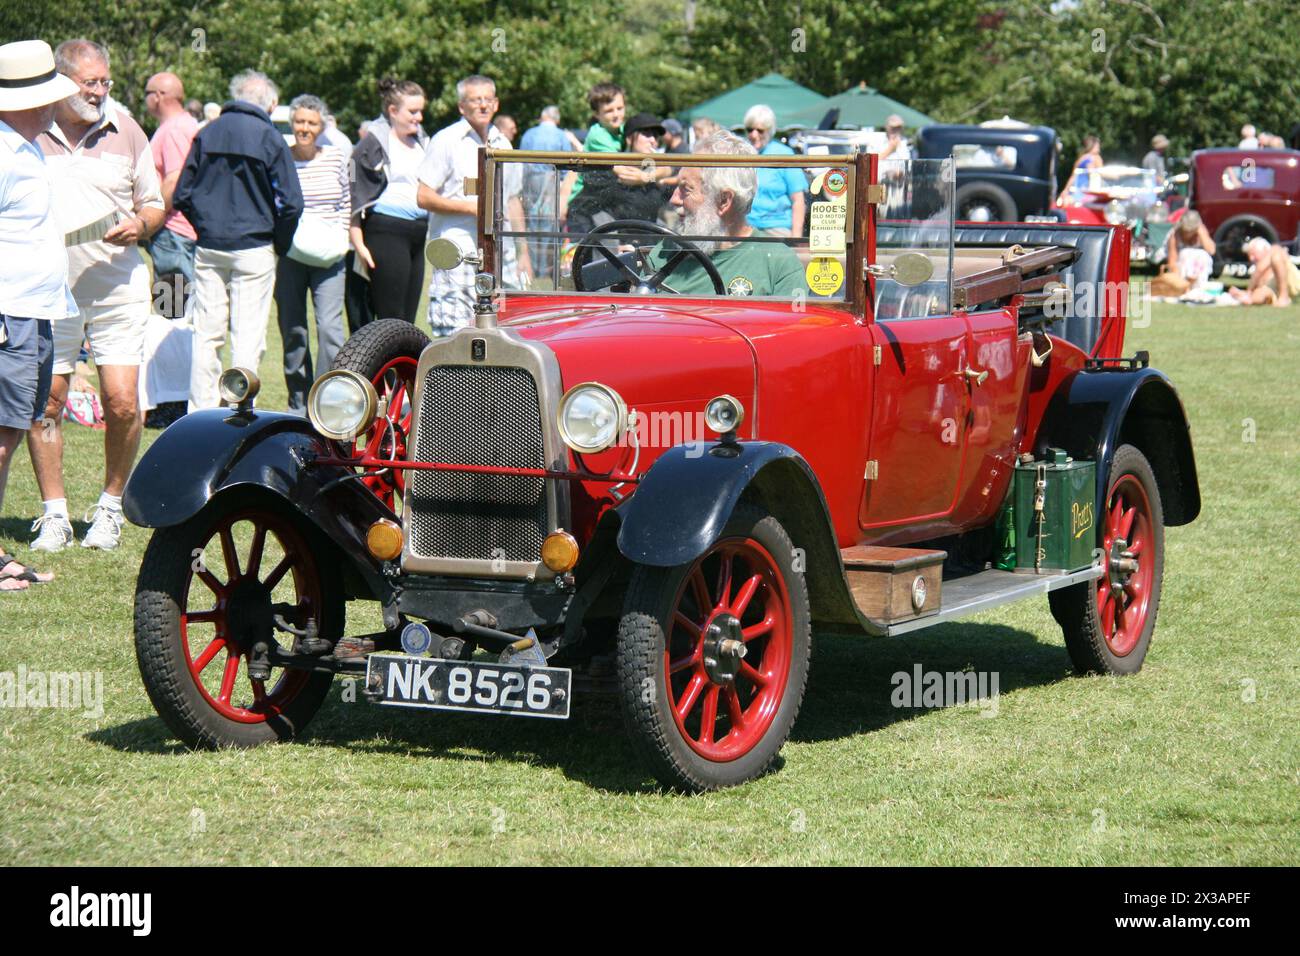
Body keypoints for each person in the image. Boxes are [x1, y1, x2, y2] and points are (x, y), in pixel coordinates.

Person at [29, 39, 165, 552]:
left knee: (122, 401)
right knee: (48, 402)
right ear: (62, 81)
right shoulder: (27, 129)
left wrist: (140, 224)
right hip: (46, 285)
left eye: (105, 81)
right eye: (91, 82)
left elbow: (154, 205)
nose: (101, 91)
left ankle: (110, 508)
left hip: (117, 283)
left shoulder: (127, 130)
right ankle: (55, 514)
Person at [174, 69, 302, 411]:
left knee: (207, 333)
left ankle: (200, 412)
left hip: (211, 245)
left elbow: (182, 194)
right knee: (247, 337)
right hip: (253, 246)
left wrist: (204, 226)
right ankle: (240, 408)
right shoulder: (270, 137)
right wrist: (279, 241)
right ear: (271, 104)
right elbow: (292, 203)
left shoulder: (208, 132)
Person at [0, 40, 78, 587]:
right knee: (1, 435)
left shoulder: (24, 147)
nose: (57, 105)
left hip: (33, 310)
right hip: (10, 312)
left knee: (11, 428)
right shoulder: (4, 152)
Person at [643, 130, 805, 298]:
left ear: (723, 201)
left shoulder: (778, 263)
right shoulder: (666, 250)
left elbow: (793, 324)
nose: (674, 199)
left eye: (686, 189)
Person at [416, 74, 512, 332]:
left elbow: (513, 199)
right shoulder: (447, 140)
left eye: (488, 99)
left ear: (496, 104)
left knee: (501, 328)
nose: (482, 105)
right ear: (461, 106)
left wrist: (521, 250)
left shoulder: (503, 143)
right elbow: (423, 196)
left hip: (498, 251)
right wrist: (473, 208)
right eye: (475, 99)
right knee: (456, 329)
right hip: (458, 250)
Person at [274, 94, 349, 412]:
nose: (305, 127)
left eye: (311, 122)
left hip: (330, 257)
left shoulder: (336, 157)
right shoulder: (281, 158)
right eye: (300, 121)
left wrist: (343, 234)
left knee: (330, 329)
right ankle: (298, 399)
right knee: (293, 327)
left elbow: (346, 200)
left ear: (322, 126)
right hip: (291, 254)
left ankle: (325, 399)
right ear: (292, 123)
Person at [350, 77, 429, 324]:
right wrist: (358, 244)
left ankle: (407, 364)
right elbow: (354, 193)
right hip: (386, 231)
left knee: (408, 320)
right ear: (393, 111)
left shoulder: (422, 142)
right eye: (413, 112)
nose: (419, 118)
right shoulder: (371, 144)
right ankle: (387, 364)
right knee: (390, 317)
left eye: (421, 111)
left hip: (417, 233)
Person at [144, 71, 199, 318]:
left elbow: (174, 179)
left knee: (172, 314)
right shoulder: (188, 124)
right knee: (181, 310)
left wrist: (152, 218)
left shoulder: (174, 129)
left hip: (172, 233)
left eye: (146, 94)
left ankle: (173, 357)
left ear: (157, 96)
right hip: (183, 231)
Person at [560, 82, 626, 228]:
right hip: (584, 204)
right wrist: (647, 176)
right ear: (597, 114)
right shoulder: (598, 135)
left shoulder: (623, 131)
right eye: (609, 111)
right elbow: (622, 170)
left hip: (603, 202)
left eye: (620, 108)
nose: (616, 114)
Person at [742, 104, 806, 238]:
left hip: (776, 229)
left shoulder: (784, 154)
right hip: (744, 227)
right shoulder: (740, 153)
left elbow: (798, 200)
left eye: (760, 130)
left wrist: (795, 238)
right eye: (750, 129)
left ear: (770, 130)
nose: (754, 135)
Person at [1230, 237, 1300, 306]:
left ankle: (1284, 297)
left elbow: (1260, 269)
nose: (1251, 258)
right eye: (1249, 256)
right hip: (1274, 288)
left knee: (1276, 258)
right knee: (1261, 292)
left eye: (1253, 254)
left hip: (1293, 281)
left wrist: (1249, 291)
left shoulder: (1275, 249)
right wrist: (1246, 295)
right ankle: (1247, 299)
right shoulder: (1261, 274)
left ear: (1265, 249)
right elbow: (1262, 290)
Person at [1164, 211, 1216, 286]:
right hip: (1180, 267)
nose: (1187, 232)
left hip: (1197, 269)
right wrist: (1177, 281)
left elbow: (1211, 251)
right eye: (1186, 230)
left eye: (1190, 230)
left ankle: (1199, 285)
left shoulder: (1200, 231)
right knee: (1185, 253)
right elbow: (1172, 261)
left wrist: (1201, 233)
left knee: (1203, 255)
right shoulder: (1175, 235)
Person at [1057, 135, 1103, 205]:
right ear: (1092, 146)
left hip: (1076, 189)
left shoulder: (1081, 158)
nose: (1099, 148)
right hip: (1086, 190)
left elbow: (1073, 176)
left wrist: (1065, 190)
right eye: (1097, 146)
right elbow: (1100, 175)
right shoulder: (1096, 158)